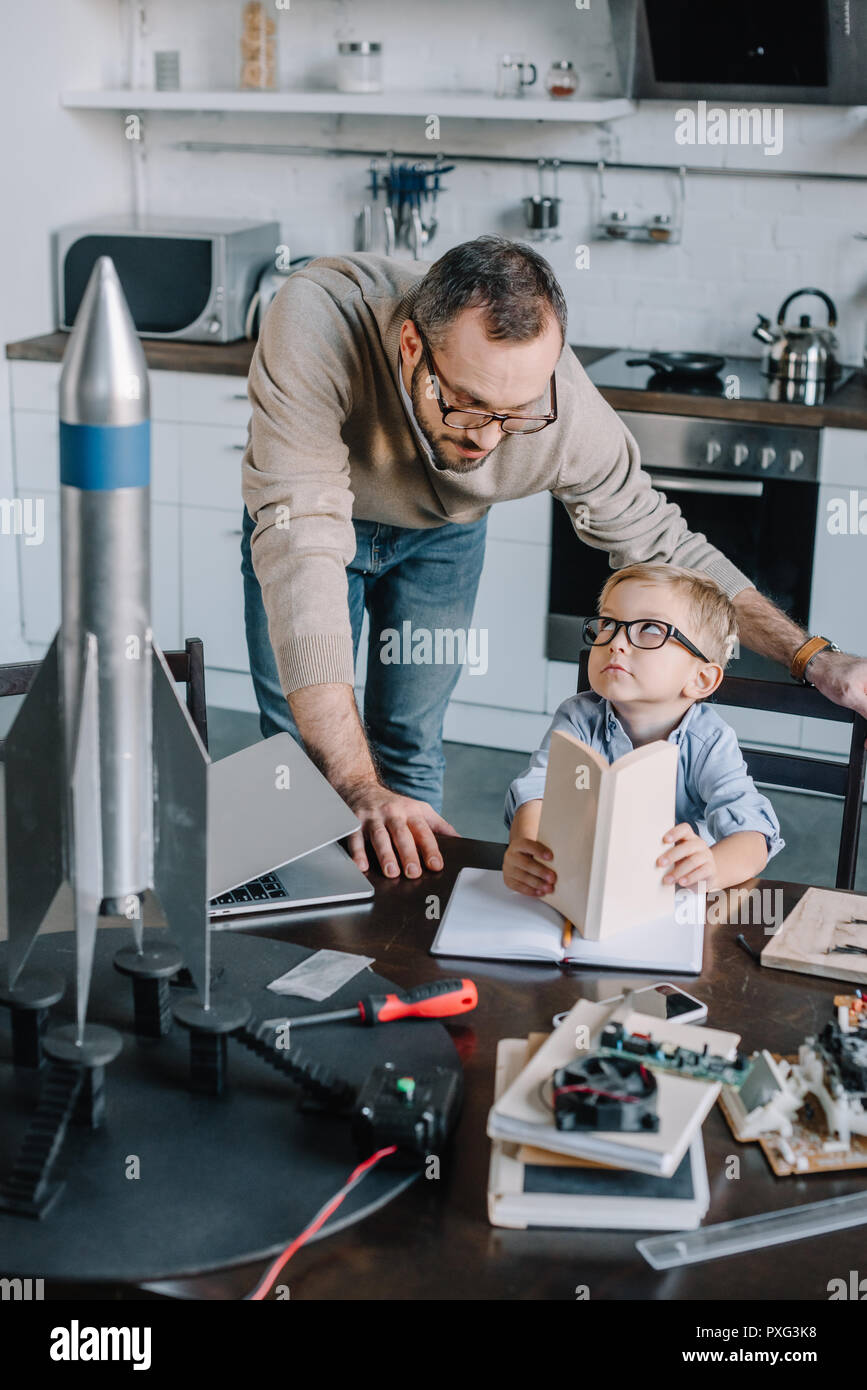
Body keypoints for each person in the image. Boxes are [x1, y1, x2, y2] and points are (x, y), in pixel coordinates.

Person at [240, 236, 867, 883]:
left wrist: (811, 657)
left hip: (442, 535)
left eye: (514, 417)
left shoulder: (561, 408)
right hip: (308, 519)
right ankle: (299, 919)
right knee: (301, 747)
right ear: (410, 350)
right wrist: (353, 784)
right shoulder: (316, 319)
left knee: (407, 737)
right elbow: (303, 552)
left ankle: (408, 932)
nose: (486, 437)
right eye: (466, 405)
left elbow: (665, 544)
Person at [503, 562, 785, 897]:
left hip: (674, 897)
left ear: (701, 679)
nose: (616, 643)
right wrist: (528, 848)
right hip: (586, 887)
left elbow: (753, 834)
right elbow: (540, 789)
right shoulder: (578, 716)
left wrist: (713, 868)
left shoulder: (708, 740)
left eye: (651, 629)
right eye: (608, 624)